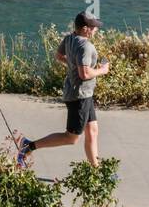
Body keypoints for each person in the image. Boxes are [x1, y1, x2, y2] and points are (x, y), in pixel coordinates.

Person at [16, 11, 110, 169]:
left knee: (92, 130)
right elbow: (85, 73)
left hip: (84, 94)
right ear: (86, 28)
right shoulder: (85, 46)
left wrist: (73, 66)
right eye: (94, 27)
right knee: (71, 138)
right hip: (78, 96)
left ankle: (97, 171)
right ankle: (28, 146)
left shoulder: (70, 38)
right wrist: (103, 70)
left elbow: (59, 56)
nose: (96, 30)